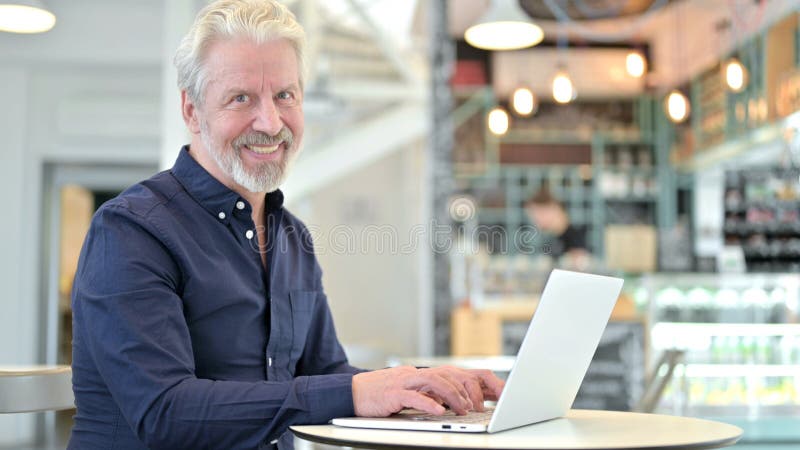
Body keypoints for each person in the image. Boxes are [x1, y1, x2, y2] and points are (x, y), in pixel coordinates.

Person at [68, 1, 504, 449]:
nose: (271, 122)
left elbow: (325, 375)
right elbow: (166, 412)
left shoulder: (290, 235)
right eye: (241, 98)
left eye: (285, 96)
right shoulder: (130, 232)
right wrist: (355, 392)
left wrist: (414, 385)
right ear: (192, 110)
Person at [524, 189, 591, 269]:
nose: (535, 220)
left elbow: (580, 269)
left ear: (554, 208)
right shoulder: (551, 236)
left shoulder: (577, 234)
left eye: (538, 213)